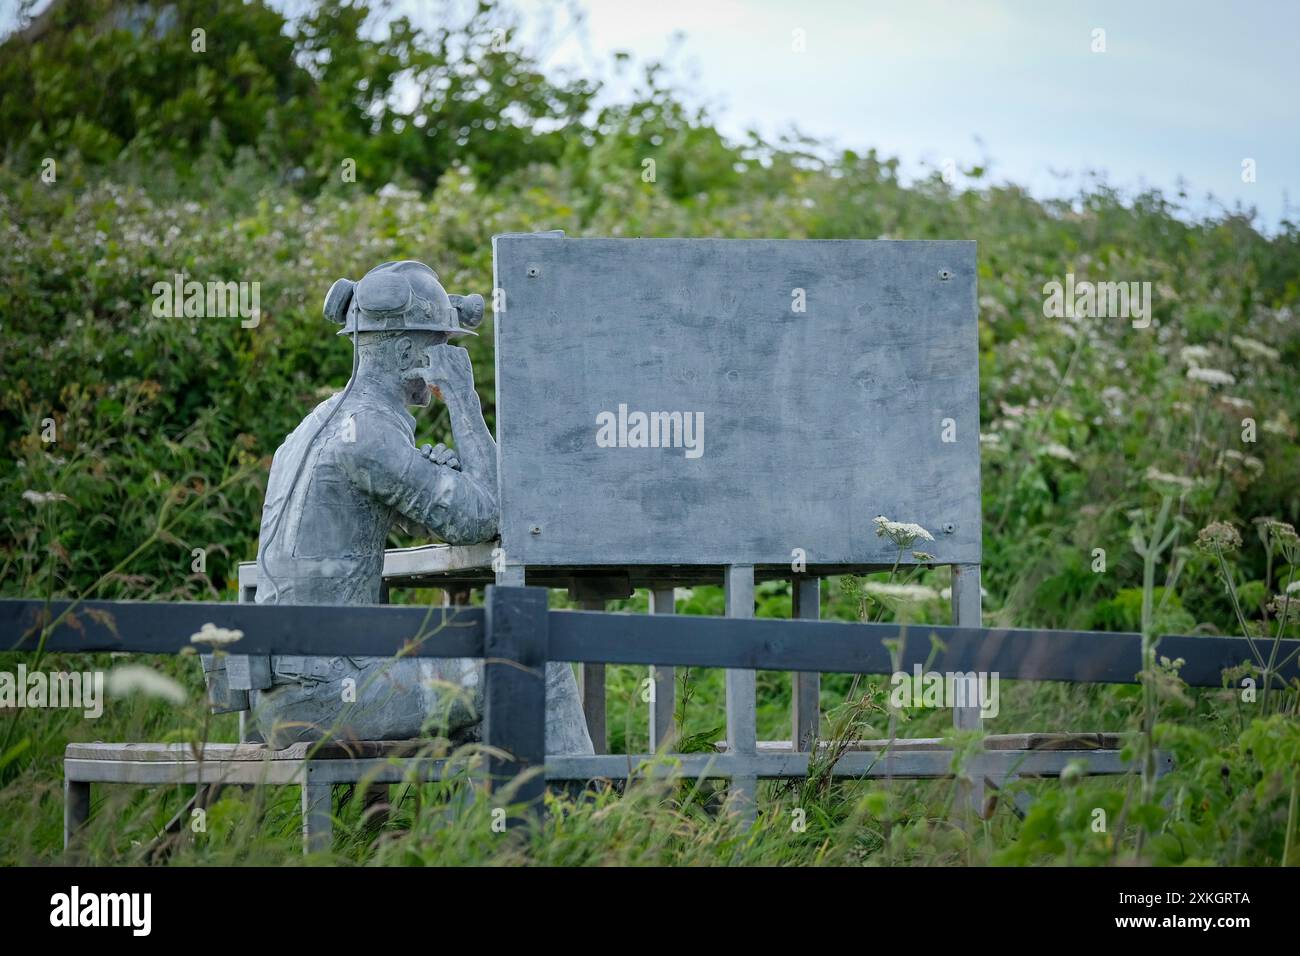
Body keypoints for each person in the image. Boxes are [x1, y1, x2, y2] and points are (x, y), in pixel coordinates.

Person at [209, 260, 591, 754]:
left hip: (294, 690)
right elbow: (486, 517)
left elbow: (433, 517)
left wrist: (445, 478)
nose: (449, 356)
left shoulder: (325, 423)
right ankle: (593, 798)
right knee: (533, 666)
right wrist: (463, 398)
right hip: (323, 696)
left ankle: (502, 806)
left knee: (484, 698)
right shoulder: (368, 433)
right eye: (443, 344)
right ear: (411, 352)